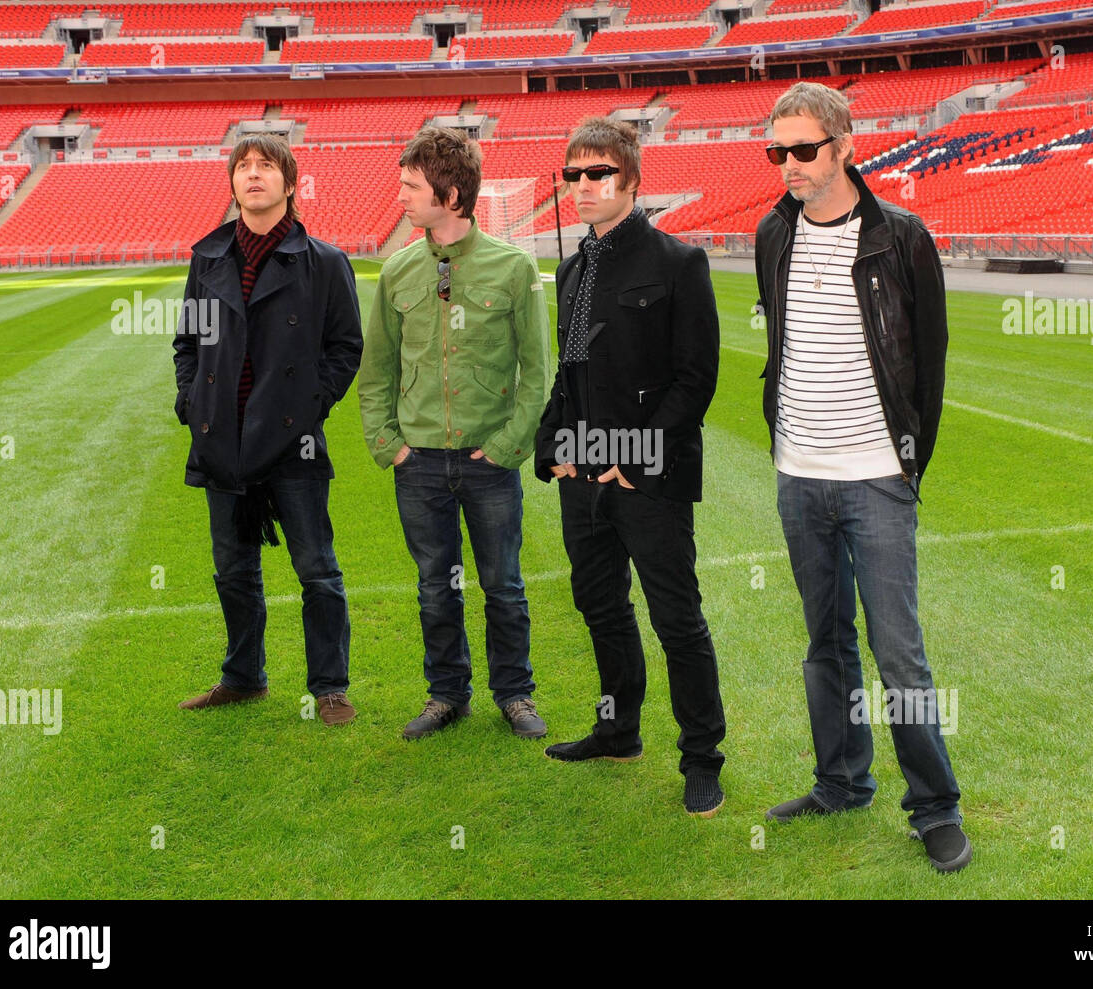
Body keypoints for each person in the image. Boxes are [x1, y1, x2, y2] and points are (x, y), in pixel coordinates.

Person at [754, 82, 970, 871]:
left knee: (899, 649)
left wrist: (907, 466)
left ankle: (935, 805)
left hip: (877, 476)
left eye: (804, 149)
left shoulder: (902, 238)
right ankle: (840, 779)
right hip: (797, 473)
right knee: (823, 641)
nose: (789, 166)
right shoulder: (771, 235)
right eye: (777, 151)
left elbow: (929, 369)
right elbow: (782, 347)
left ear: (845, 145)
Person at [535, 117, 727, 818]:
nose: (583, 186)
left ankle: (703, 757)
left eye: (599, 174)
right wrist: (551, 446)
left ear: (632, 181)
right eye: (574, 174)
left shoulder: (679, 262)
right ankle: (619, 730)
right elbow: (571, 372)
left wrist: (633, 458)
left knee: (676, 618)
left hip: (649, 477)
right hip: (582, 476)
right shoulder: (572, 267)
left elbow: (694, 381)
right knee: (600, 606)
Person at [358, 126, 550, 741]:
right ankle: (446, 695)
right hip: (418, 465)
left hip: (488, 461)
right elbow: (376, 371)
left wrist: (506, 447)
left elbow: (537, 373)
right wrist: (390, 445)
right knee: (434, 589)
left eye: (413, 186)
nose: (402, 197)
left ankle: (514, 694)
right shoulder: (397, 272)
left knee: (504, 586)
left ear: (452, 193)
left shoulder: (513, 266)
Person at [174, 133, 363, 726]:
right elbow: (188, 343)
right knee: (233, 569)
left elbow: (344, 347)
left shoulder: (324, 261)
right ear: (232, 182)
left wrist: (308, 408)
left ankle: (330, 686)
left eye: (266, 166)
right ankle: (243, 677)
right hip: (222, 439)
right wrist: (190, 404)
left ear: (290, 182)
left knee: (317, 569)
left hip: (292, 442)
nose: (253, 175)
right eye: (243, 167)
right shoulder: (207, 259)